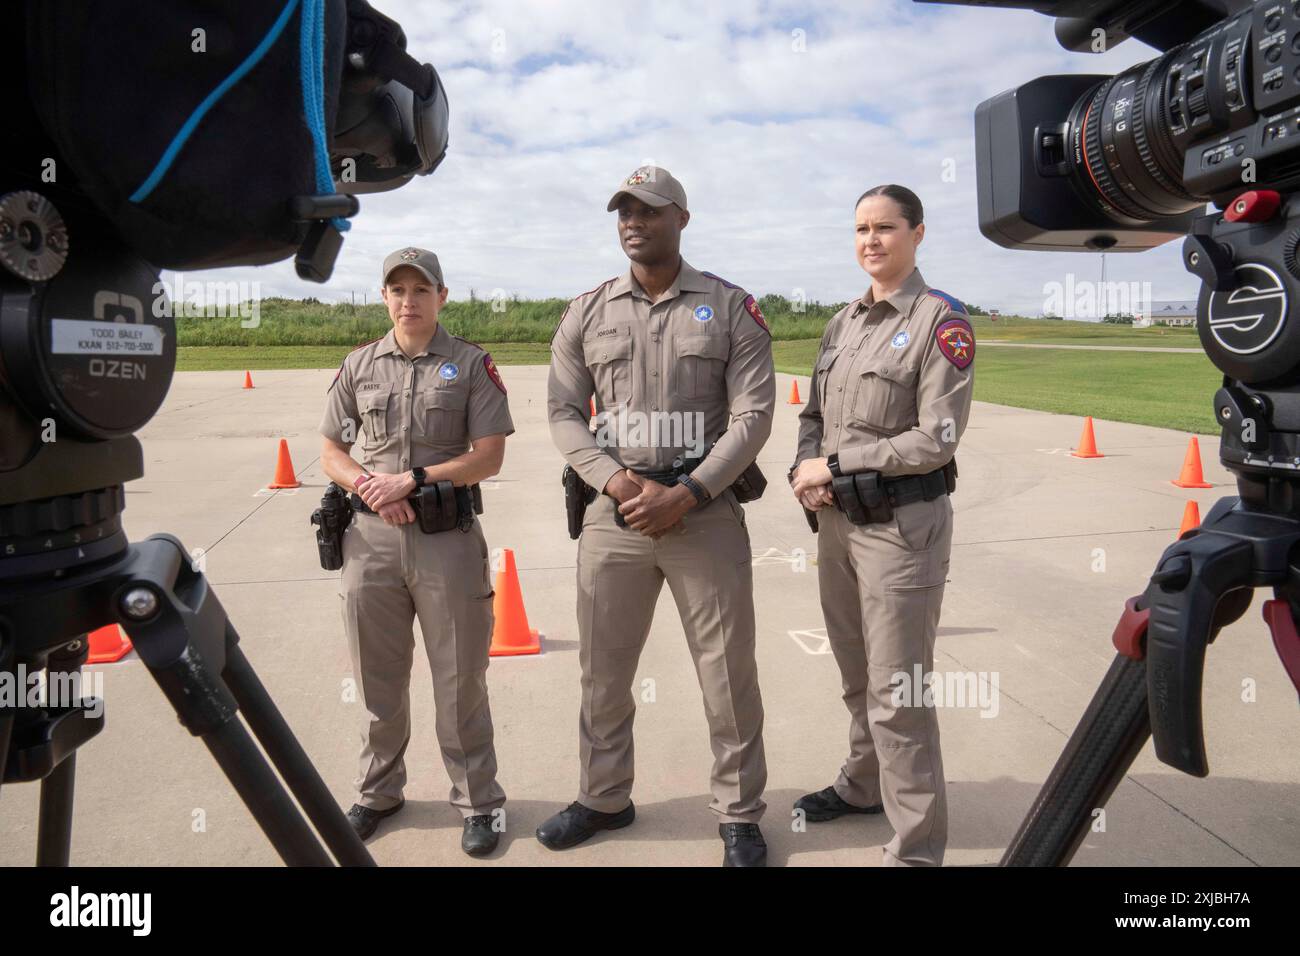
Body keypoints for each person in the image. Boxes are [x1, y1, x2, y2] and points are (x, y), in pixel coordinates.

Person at [542, 165, 776, 867]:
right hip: (615, 519)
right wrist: (613, 481)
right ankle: (604, 798)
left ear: (682, 218)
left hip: (701, 516)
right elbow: (561, 411)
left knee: (726, 673)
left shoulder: (731, 306)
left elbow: (753, 414)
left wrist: (691, 491)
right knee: (603, 672)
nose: (631, 222)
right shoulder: (587, 310)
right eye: (623, 211)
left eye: (647, 210)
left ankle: (737, 813)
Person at [788, 184, 975, 867]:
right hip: (839, 525)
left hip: (902, 529)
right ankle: (864, 786)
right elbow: (811, 416)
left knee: (899, 693)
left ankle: (917, 849)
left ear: (917, 233)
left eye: (885, 228)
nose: (871, 240)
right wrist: (804, 470)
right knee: (855, 674)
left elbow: (938, 438)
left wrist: (833, 465)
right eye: (861, 229)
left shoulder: (940, 320)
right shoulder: (842, 323)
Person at [319, 247, 514, 857]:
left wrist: (416, 479)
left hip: (443, 540)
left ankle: (479, 803)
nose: (409, 301)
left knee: (460, 680)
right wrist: (371, 488)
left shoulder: (471, 365)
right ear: (384, 297)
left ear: (442, 296)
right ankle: (378, 793)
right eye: (397, 290)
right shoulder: (357, 366)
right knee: (377, 680)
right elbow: (331, 449)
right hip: (368, 542)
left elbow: (488, 455)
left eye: (421, 290)